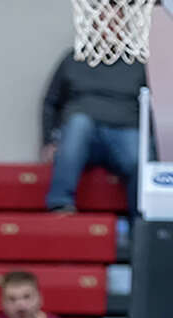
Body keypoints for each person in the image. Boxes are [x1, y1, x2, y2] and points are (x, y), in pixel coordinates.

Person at [42, 42, 147, 219]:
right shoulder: (74, 57)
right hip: (82, 135)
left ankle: (140, 221)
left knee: (137, 154)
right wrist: (48, 141)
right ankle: (60, 204)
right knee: (78, 123)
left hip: (125, 130)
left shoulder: (140, 61)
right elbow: (51, 102)